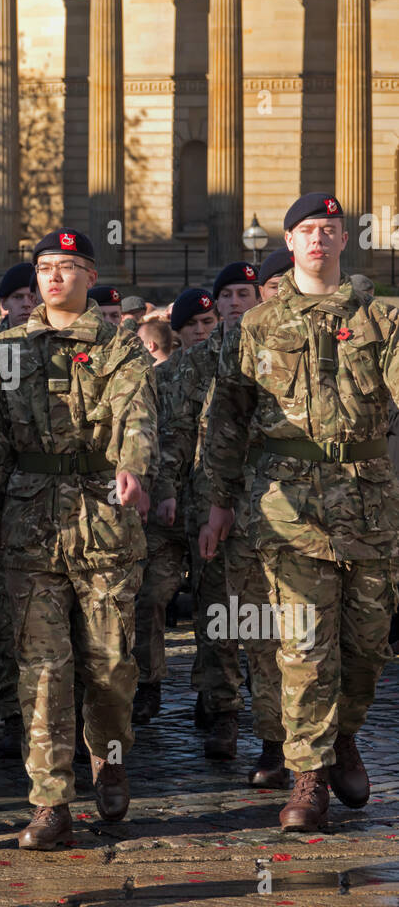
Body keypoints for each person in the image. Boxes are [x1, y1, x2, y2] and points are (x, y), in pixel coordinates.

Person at [202, 193, 399, 830]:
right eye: (307, 230)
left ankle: (344, 737)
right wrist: (219, 504)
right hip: (287, 506)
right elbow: (226, 424)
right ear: (289, 243)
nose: (319, 239)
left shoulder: (382, 320)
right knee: (304, 644)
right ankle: (308, 776)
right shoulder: (256, 327)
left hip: (369, 504)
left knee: (366, 645)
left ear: (346, 240)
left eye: (330, 229)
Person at [0, 229, 158, 849]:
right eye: (45, 267)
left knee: (110, 661)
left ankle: (109, 757)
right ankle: (50, 799)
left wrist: (133, 465)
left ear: (88, 274)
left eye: (67, 267)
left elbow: (136, 414)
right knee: (42, 669)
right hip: (30, 524)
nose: (53, 277)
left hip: (104, 521)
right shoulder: (4, 350)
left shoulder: (118, 349)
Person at [166, 263, 285, 778]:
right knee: (218, 616)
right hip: (211, 504)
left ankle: (275, 737)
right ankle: (223, 713)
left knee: (269, 627)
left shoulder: (280, 350)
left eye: (244, 292)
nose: (236, 302)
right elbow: (176, 431)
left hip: (278, 509)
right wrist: (167, 490)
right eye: (227, 296)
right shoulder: (199, 361)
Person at [131, 287, 217, 724]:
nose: (201, 330)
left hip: (216, 510)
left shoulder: (236, 372)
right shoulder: (161, 378)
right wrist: (161, 490)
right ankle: (147, 683)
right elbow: (150, 438)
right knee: (151, 596)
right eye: (191, 325)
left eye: (208, 323)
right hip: (168, 511)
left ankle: (216, 697)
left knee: (216, 603)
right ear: (177, 332)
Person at [0, 262, 37, 333]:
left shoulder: (60, 343)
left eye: (32, 297)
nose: (26, 304)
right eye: (18, 297)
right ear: (4, 303)